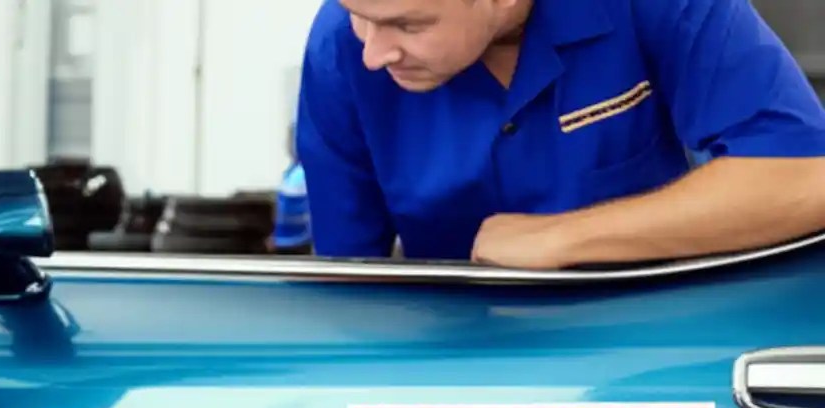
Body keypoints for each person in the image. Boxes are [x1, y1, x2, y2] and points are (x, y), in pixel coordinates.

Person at [295, 0, 825, 269]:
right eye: (359, 15)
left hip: (650, 354)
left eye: (410, 26)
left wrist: (557, 239)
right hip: (448, 382)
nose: (372, 52)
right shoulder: (341, 44)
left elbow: (805, 177)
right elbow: (348, 283)